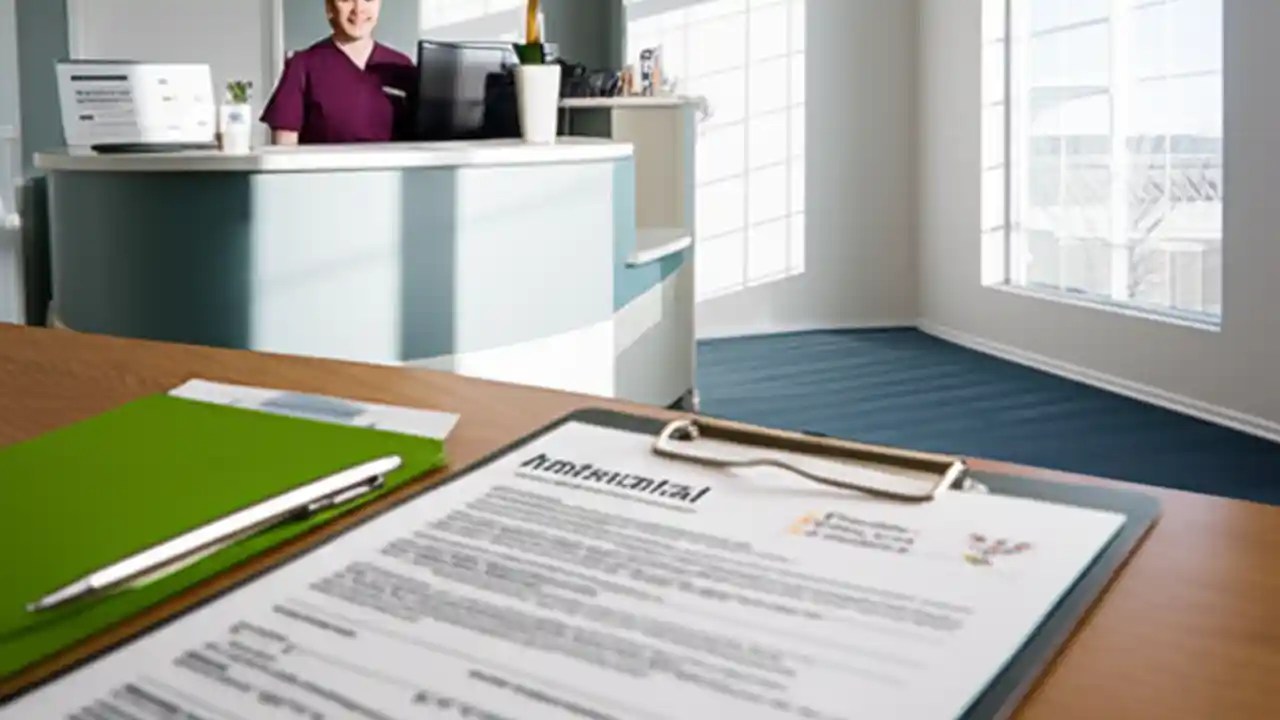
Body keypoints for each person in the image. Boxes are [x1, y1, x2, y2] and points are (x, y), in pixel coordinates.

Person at [260, 0, 416, 144]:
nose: (358, 9)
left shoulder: (401, 66)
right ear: (329, 7)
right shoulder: (302, 66)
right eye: (346, 0)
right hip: (325, 174)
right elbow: (285, 151)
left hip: (391, 173)